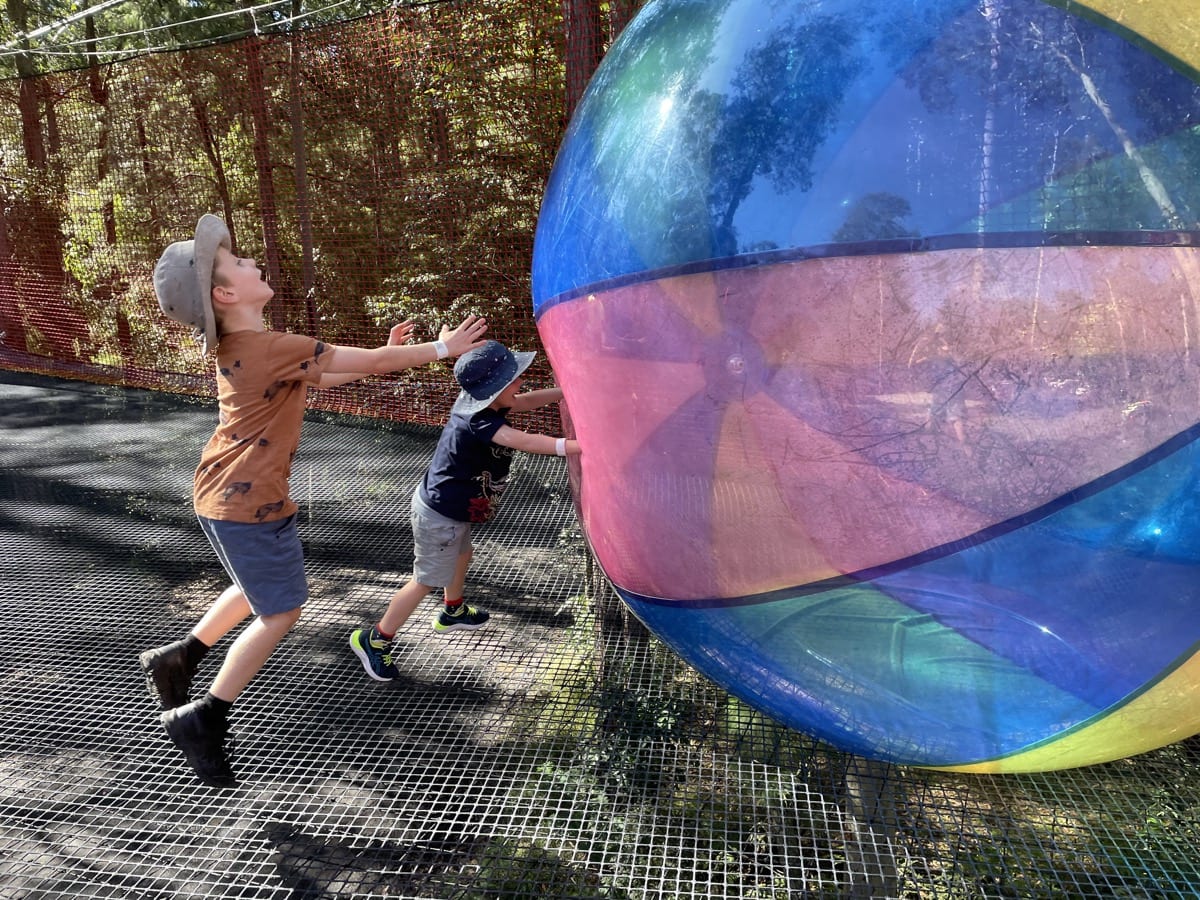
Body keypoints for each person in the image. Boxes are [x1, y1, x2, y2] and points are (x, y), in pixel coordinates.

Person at [138, 214, 487, 787]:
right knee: (280, 611)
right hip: (248, 504)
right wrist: (442, 347)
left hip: (224, 496)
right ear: (225, 293)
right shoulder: (273, 344)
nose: (253, 262)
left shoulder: (249, 347)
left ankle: (181, 656)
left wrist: (386, 350)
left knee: (255, 591)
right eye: (240, 263)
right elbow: (370, 365)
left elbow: (325, 377)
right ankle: (205, 717)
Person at [349, 339, 581, 682]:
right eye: (513, 378)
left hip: (453, 510)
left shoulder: (488, 401)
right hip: (440, 514)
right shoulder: (479, 420)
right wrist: (581, 447)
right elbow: (527, 441)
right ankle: (376, 639)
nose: (520, 382)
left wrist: (565, 391)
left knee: (462, 556)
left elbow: (526, 401)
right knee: (425, 580)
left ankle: (452, 610)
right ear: (493, 389)